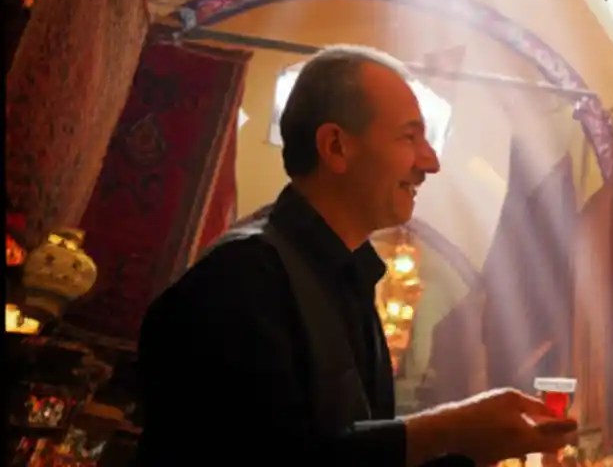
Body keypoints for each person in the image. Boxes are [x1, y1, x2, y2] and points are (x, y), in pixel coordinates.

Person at [136, 45, 577, 467]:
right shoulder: (242, 278)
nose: (430, 162)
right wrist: (447, 431)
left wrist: (473, 447)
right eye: (410, 136)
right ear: (336, 147)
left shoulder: (346, 283)